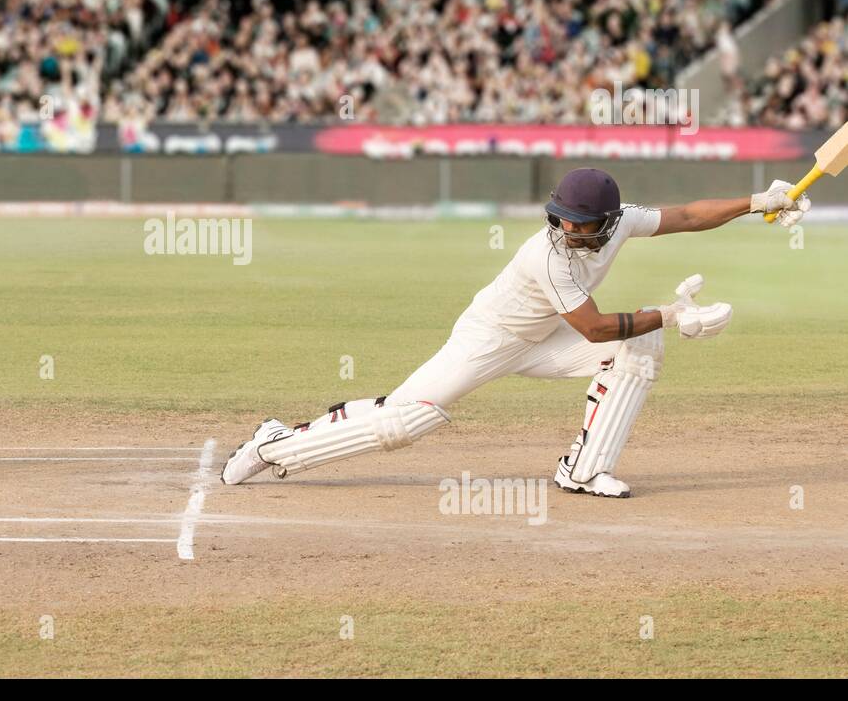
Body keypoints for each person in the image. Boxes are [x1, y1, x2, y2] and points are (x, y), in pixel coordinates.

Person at [221, 168, 811, 498]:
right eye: (560, 218)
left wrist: (759, 200)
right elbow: (595, 325)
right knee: (404, 421)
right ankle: (273, 443)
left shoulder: (621, 220)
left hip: (545, 339)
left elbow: (684, 217)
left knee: (638, 349)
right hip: (489, 339)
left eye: (578, 223)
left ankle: (582, 469)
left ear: (607, 223)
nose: (565, 228)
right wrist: (673, 314)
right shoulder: (546, 257)